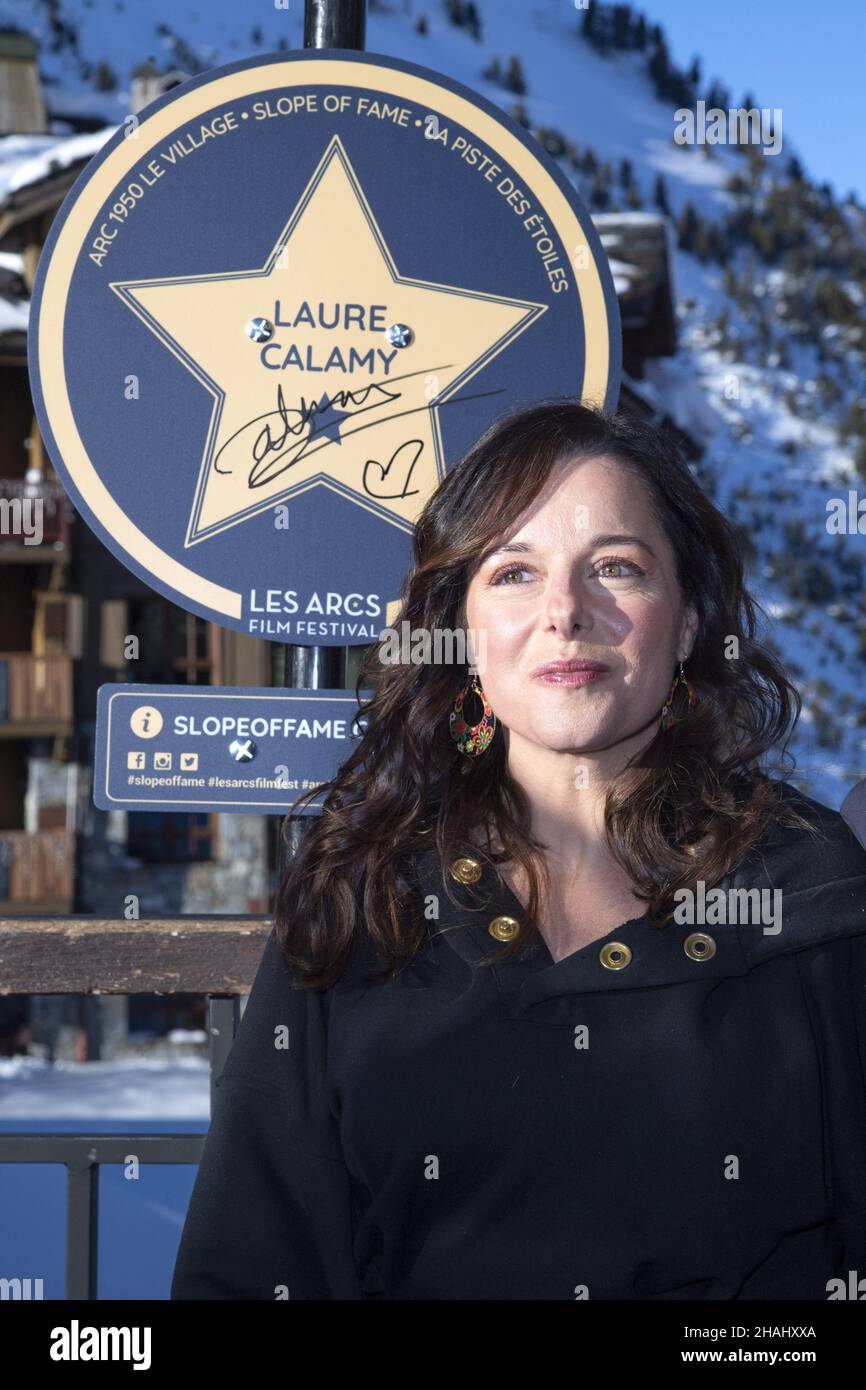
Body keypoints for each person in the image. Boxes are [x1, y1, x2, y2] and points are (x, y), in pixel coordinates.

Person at [171, 399, 866, 1301]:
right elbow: (255, 1253)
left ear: (689, 620)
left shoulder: (811, 891)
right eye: (514, 573)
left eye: (615, 568)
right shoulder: (367, 894)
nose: (566, 614)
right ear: (459, 628)